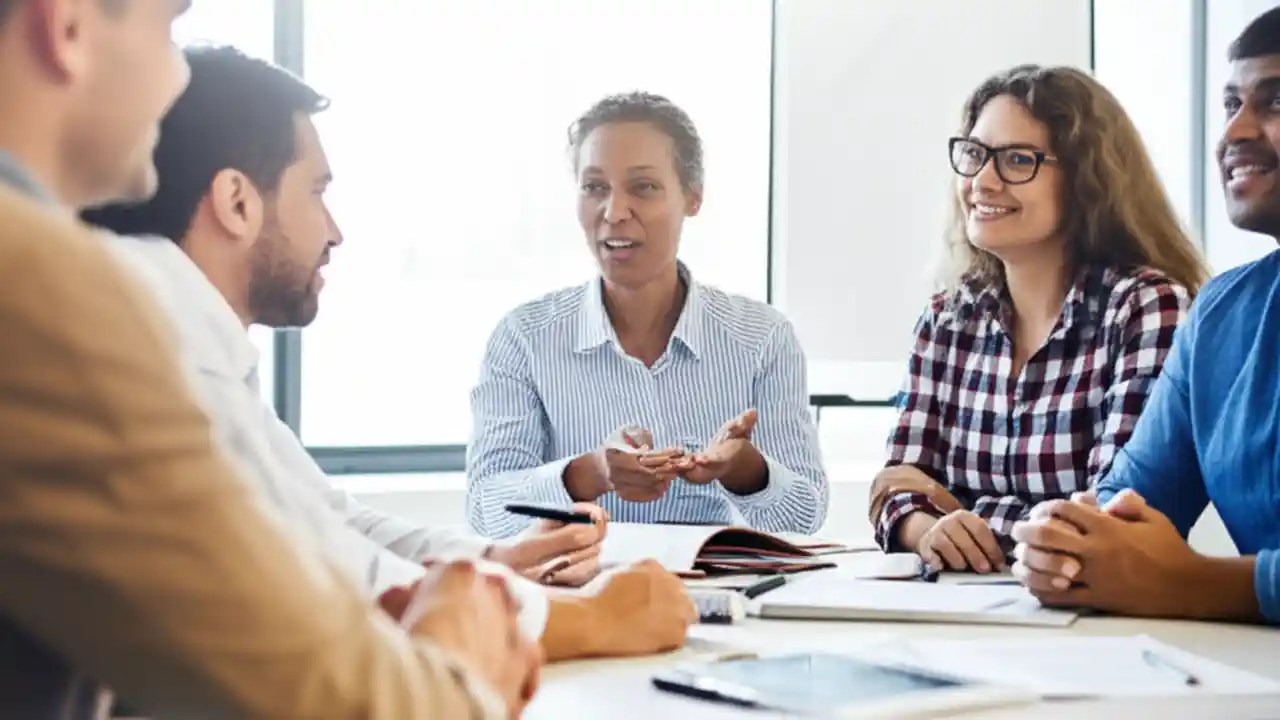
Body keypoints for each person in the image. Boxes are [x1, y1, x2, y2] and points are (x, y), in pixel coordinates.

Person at [0, 0, 539, 717]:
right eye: (168, 29)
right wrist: (459, 631)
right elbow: (354, 704)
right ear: (65, 28)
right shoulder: (44, 288)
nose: (174, 81)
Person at [81, 45, 696, 661]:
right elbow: (335, 590)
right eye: (316, 191)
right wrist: (594, 619)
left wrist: (491, 563)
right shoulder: (154, 352)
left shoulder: (192, 339)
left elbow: (332, 524)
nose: (334, 231)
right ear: (237, 202)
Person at [868, 64, 1209, 574]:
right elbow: (895, 492)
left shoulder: (1147, 308)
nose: (982, 180)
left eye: (1018, 160)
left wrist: (957, 512)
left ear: (1087, 181)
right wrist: (928, 529)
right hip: (956, 611)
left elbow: (1110, 522)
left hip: (1092, 623)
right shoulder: (947, 318)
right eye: (975, 154)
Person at [1011, 7, 1280, 625]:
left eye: (1275, 101)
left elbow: (1169, 577)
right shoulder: (1221, 315)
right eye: (1230, 104)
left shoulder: (1148, 302)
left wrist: (1194, 585)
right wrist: (1066, 545)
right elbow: (1124, 508)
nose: (1236, 131)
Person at [465, 91, 828, 537]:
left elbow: (805, 520)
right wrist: (589, 473)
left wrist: (746, 471)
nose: (615, 212)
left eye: (644, 187)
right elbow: (486, 511)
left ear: (692, 197)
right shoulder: (524, 337)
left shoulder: (763, 338)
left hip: (724, 594)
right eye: (595, 187)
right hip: (581, 595)